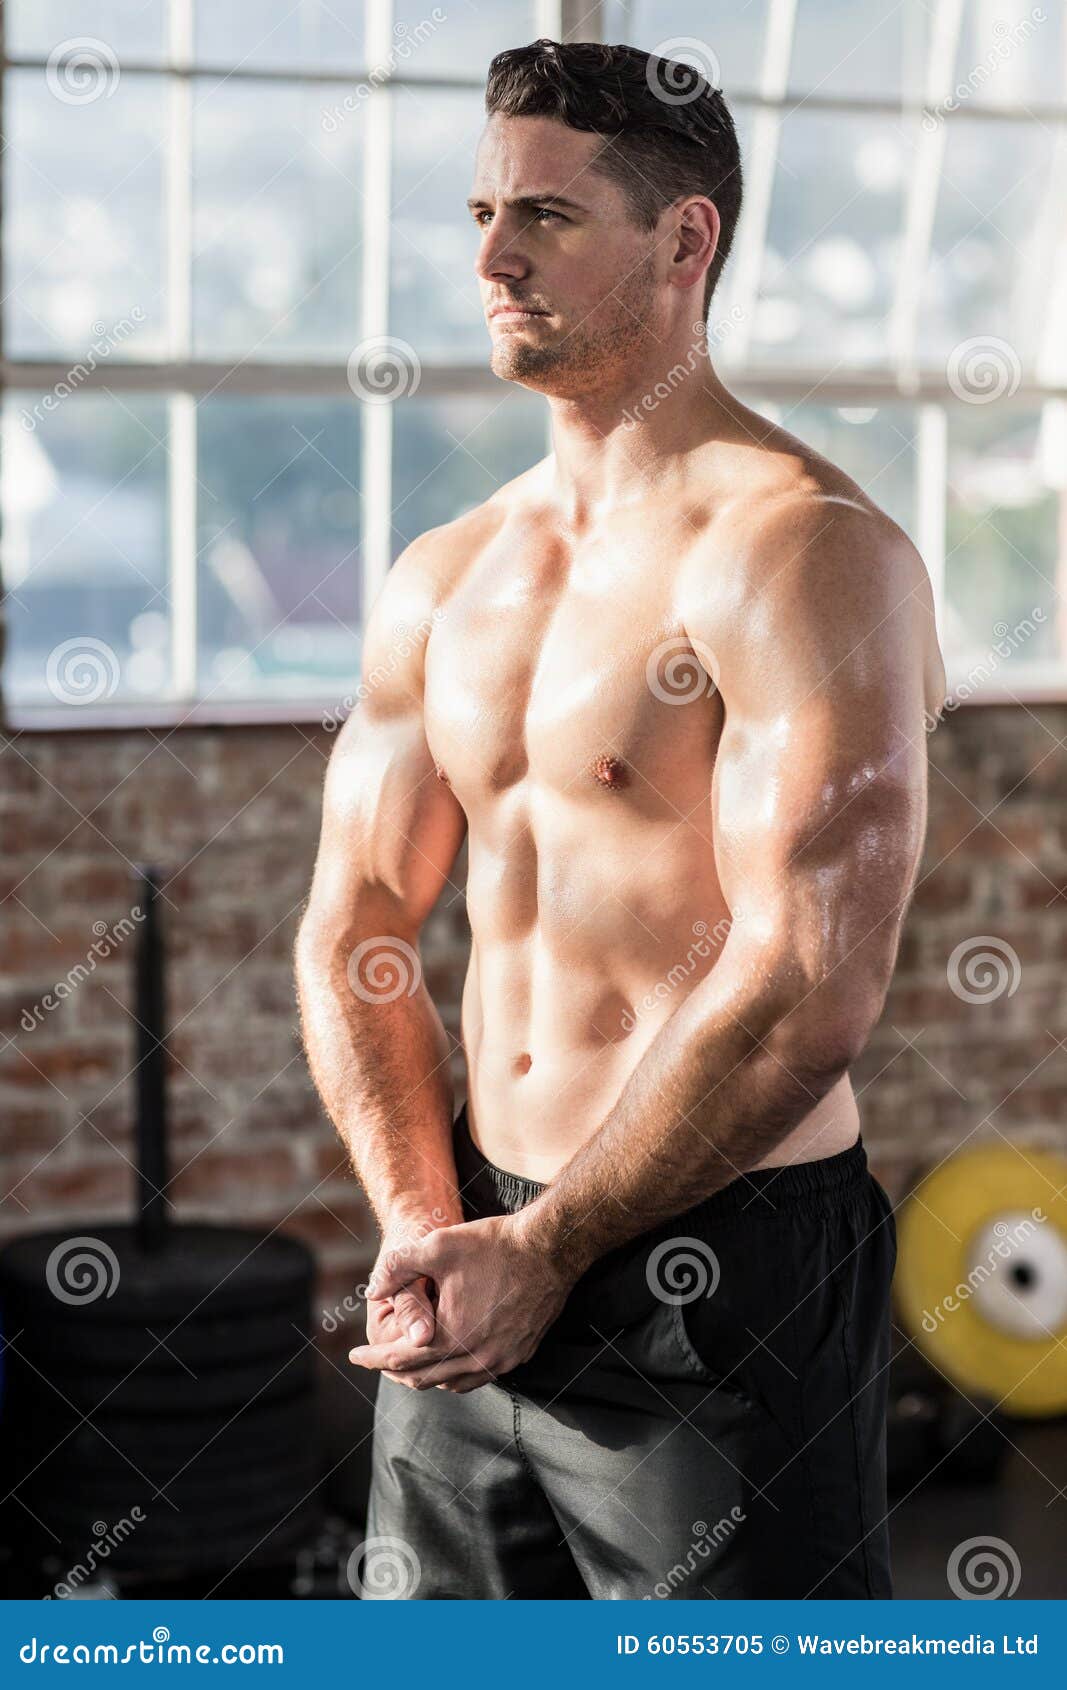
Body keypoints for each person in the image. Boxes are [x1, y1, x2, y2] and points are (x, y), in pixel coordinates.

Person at [294, 37, 947, 1600]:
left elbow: (811, 981)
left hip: (711, 1264)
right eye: (481, 214)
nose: (492, 258)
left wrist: (557, 1245)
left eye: (546, 214)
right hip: (466, 1252)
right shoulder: (450, 573)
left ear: (683, 239)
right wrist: (429, 1222)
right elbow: (355, 923)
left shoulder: (803, 552)